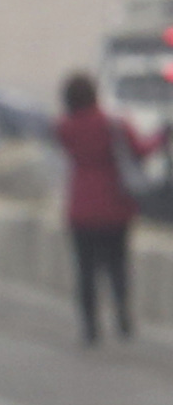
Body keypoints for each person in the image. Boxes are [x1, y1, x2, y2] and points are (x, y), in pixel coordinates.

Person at [54, 71, 144, 343]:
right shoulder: (113, 125)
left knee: (85, 271)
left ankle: (90, 327)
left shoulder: (64, 128)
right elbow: (140, 149)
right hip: (115, 207)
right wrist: (163, 137)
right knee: (117, 265)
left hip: (80, 209)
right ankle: (122, 316)